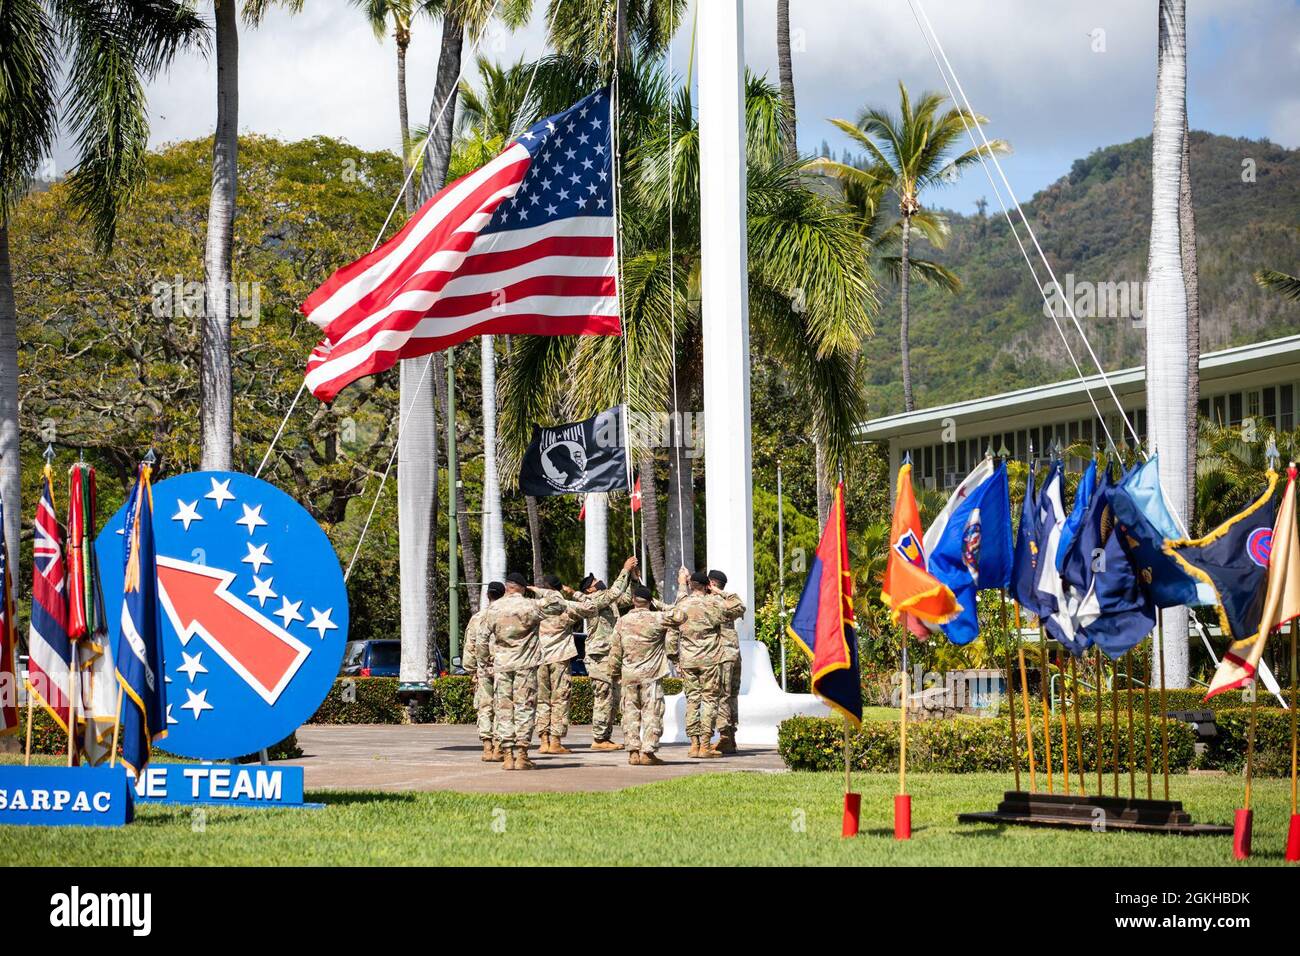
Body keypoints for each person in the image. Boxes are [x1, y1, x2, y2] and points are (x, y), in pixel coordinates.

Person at [483, 572, 566, 771]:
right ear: (521, 587)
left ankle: (508, 756)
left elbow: (482, 639)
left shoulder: (494, 608)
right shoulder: (530, 606)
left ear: (507, 586)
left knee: (504, 710)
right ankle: (522, 755)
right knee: (524, 708)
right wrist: (539, 590)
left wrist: (485, 662)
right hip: (525, 666)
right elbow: (559, 604)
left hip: (502, 666)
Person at [610, 584, 685, 766]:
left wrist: (614, 673)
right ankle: (648, 752)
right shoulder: (657, 618)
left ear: (633, 601)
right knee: (652, 713)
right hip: (651, 675)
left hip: (628, 675)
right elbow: (681, 615)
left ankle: (633, 752)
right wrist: (658, 604)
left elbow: (615, 650)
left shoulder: (622, 621)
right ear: (649, 602)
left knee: (630, 714)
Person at [572, 556, 636, 751]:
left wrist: (633, 578)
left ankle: (605, 738)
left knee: (614, 699)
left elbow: (629, 598)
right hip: (599, 656)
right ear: (589, 590)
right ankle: (599, 739)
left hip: (611, 655)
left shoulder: (608, 601)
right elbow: (615, 591)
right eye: (594, 582)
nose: (598, 581)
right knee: (603, 697)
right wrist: (625, 569)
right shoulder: (594, 600)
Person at [667, 569, 730, 758]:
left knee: (692, 700)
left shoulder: (682, 605)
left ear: (690, 585)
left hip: (687, 660)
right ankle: (705, 745)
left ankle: (693, 745)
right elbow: (738, 607)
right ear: (706, 586)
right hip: (710, 659)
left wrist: (674, 658)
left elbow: (671, 633)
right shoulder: (713, 603)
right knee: (710, 699)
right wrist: (719, 592)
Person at [532, 573, 596, 754]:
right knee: (559, 699)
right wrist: (573, 593)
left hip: (539, 658)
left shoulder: (536, 607)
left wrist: (538, 592)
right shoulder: (566, 607)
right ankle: (555, 742)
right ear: (559, 588)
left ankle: (543, 740)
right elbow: (591, 607)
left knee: (542, 700)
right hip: (560, 657)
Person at [462, 580, 505, 761]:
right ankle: (500, 748)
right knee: (503, 708)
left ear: (488, 596)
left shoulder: (478, 618)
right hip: (504, 668)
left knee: (485, 707)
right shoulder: (507, 616)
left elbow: (470, 646)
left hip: (484, 669)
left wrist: (472, 670)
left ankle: (487, 747)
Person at [707, 569, 747, 753]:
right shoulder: (727, 602)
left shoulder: (713, 602)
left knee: (722, 694)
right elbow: (739, 604)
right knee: (731, 696)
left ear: (712, 584)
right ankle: (731, 737)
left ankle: (724, 735)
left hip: (721, 655)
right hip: (733, 654)